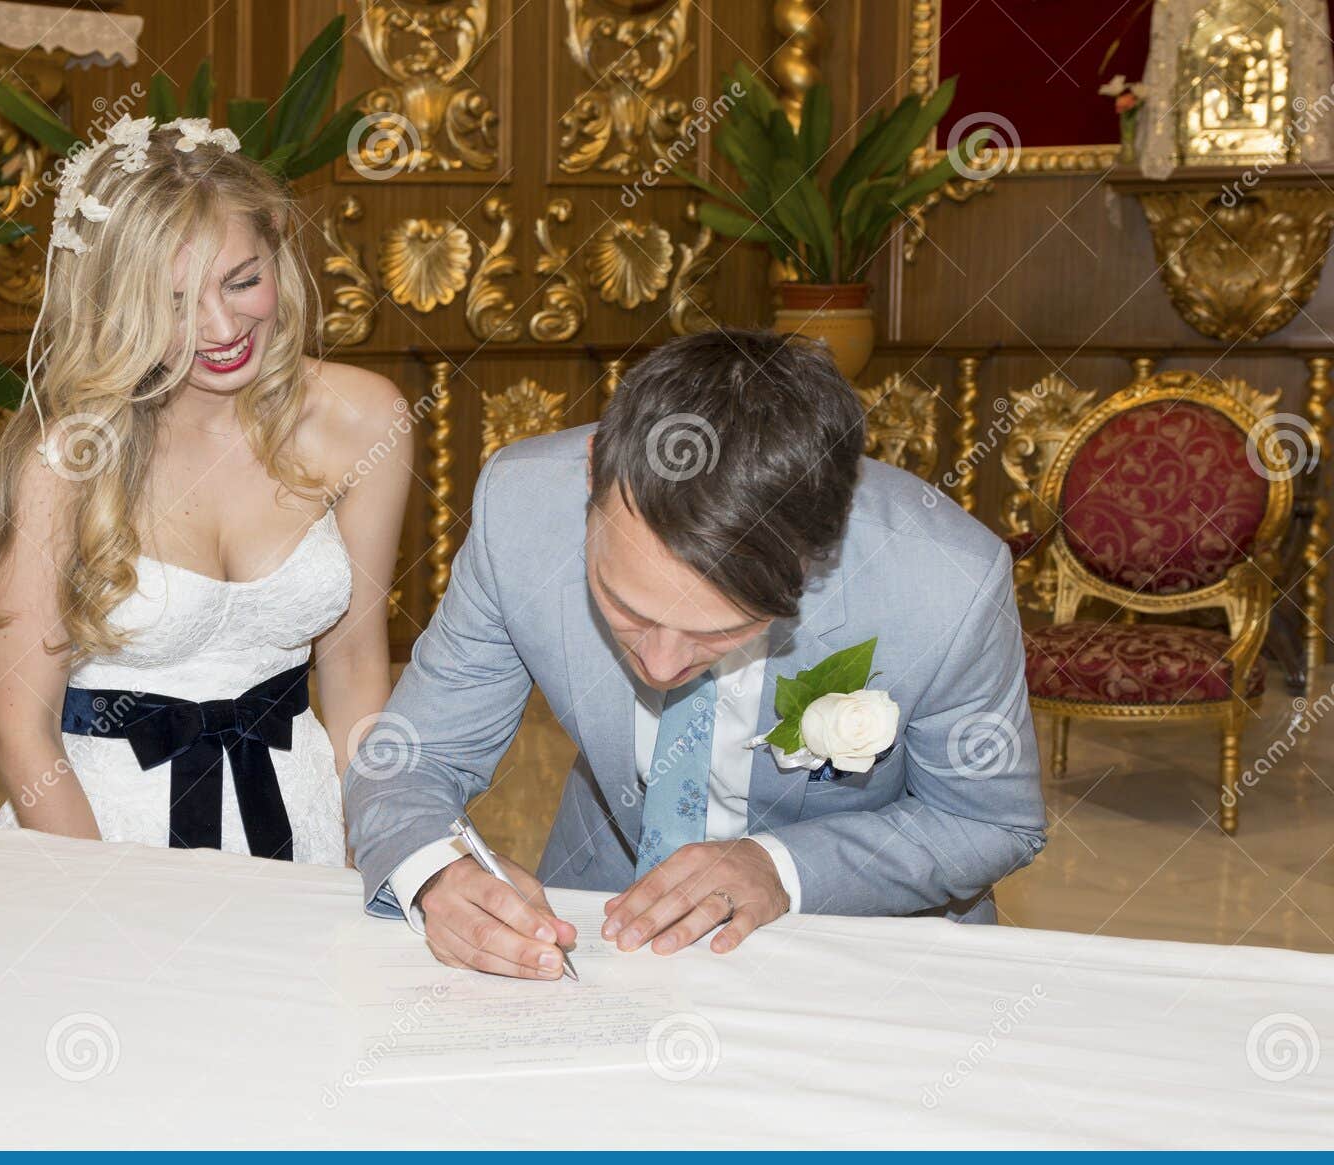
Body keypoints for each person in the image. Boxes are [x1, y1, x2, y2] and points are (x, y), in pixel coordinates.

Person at [345, 327, 1047, 978]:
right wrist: (435, 869)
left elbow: (988, 819)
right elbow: (416, 754)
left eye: (718, 630)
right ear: (592, 476)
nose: (657, 666)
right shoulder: (522, 507)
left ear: (817, 555)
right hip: (596, 923)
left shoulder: (943, 581)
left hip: (865, 952)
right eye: (625, 605)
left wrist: (780, 867)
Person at [0, 115, 411, 864]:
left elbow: (357, 668)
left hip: (303, 823)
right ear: (115, 306)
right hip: (97, 838)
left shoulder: (364, 421)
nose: (222, 326)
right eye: (173, 303)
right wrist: (106, 897)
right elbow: (21, 734)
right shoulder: (65, 463)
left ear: (276, 251)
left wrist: (381, 845)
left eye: (243, 280)